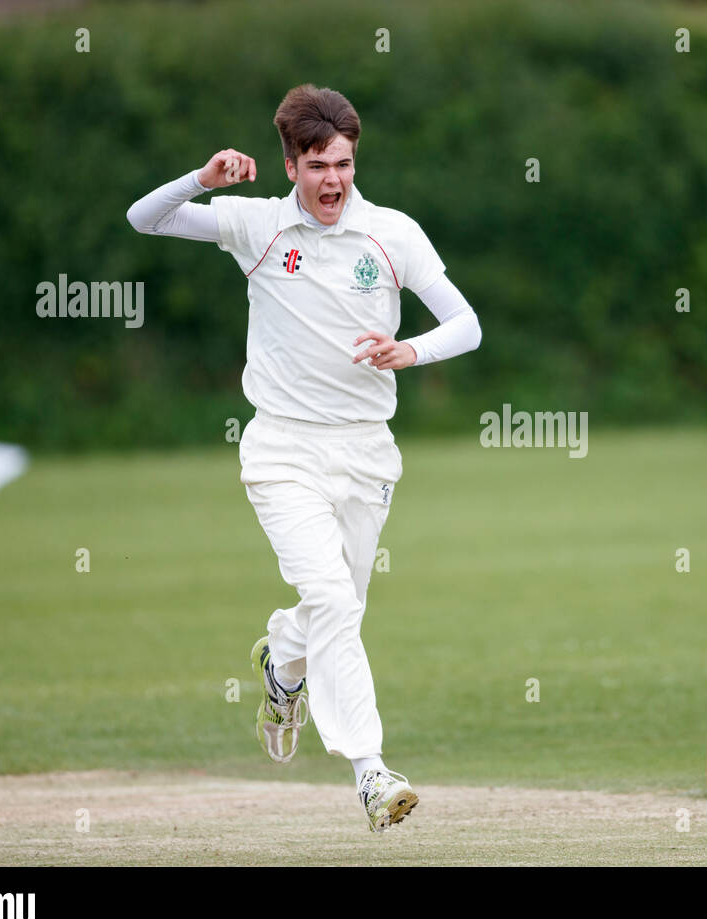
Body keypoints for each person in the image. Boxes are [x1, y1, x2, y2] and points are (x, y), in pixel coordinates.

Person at [126, 84, 481, 831]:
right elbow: (143, 218)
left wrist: (409, 351)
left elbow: (467, 324)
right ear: (290, 164)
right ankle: (371, 772)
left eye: (345, 164)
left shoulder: (391, 234)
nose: (333, 181)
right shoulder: (255, 226)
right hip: (282, 449)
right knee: (333, 601)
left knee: (332, 610)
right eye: (318, 164)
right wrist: (202, 179)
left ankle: (282, 665)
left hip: (365, 454)